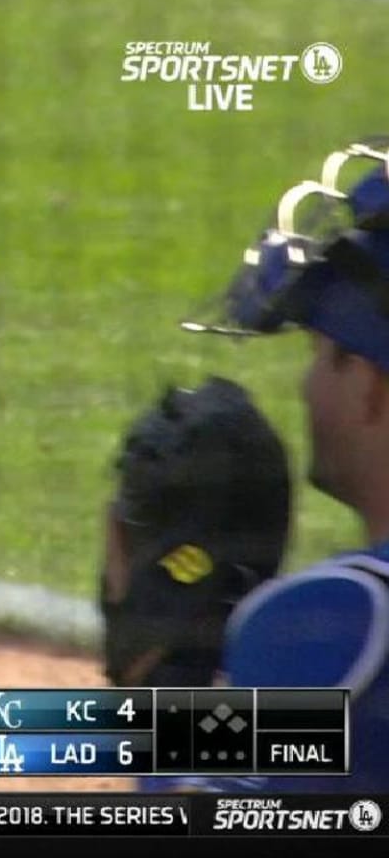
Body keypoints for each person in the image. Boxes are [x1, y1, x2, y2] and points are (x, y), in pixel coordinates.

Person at [147, 139, 389, 792]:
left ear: (370, 387)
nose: (308, 388)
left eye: (319, 352)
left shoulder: (343, 618)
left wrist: (166, 671)